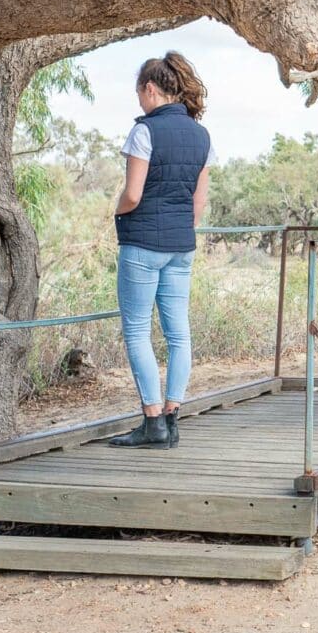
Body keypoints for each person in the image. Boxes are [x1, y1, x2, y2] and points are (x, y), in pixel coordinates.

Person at [107, 52, 217, 449]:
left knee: (137, 330)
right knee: (178, 333)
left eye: (139, 93)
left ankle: (152, 422)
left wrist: (116, 212)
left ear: (151, 89)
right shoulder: (202, 136)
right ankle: (172, 418)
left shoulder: (144, 132)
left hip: (142, 244)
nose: (139, 101)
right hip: (181, 247)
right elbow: (197, 206)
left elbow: (132, 194)